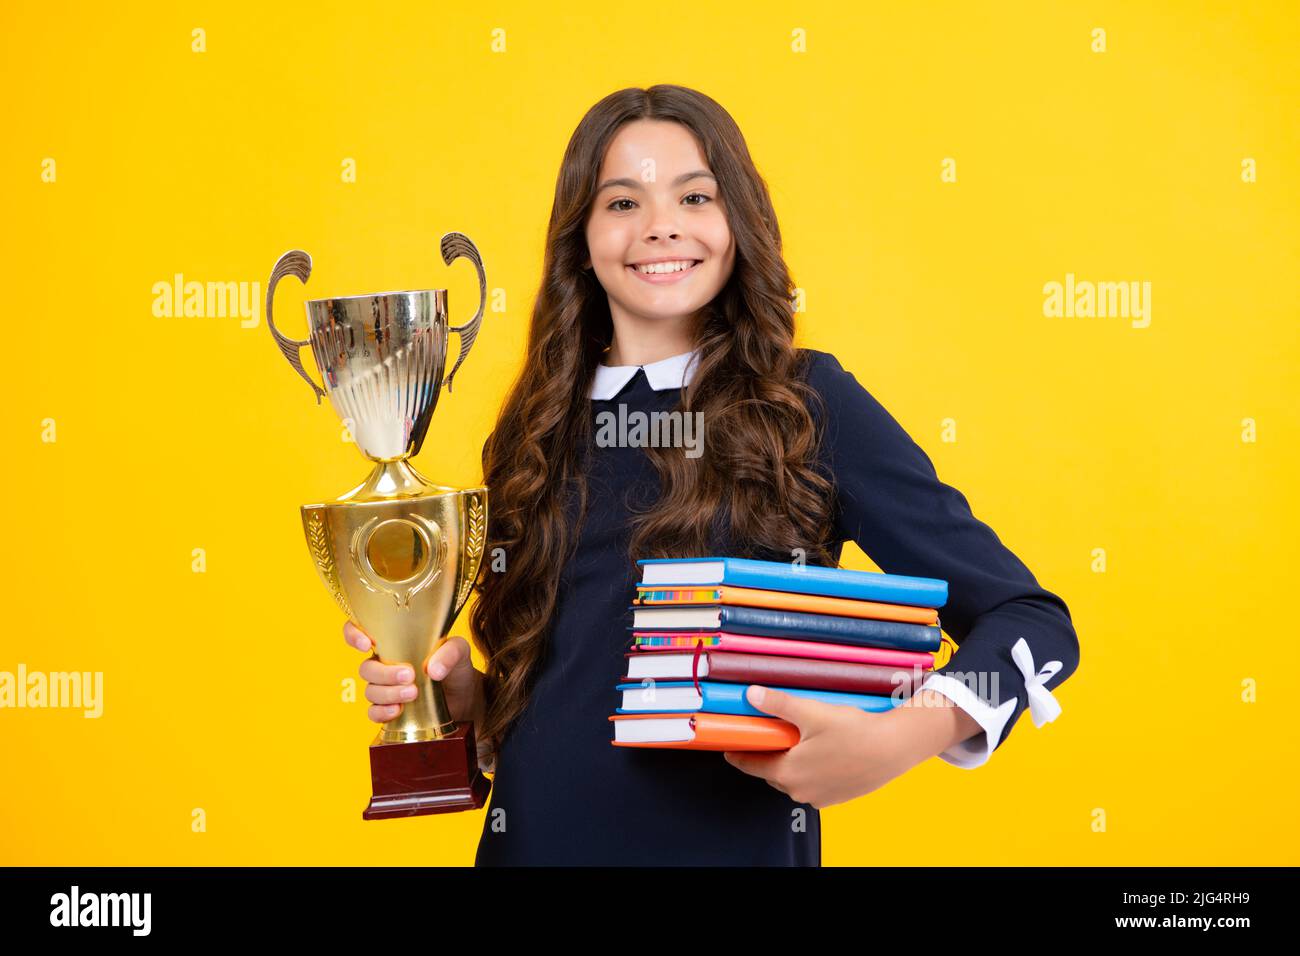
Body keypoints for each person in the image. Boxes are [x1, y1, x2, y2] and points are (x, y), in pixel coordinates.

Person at [344, 84, 1080, 866]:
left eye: (694, 195)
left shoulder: (808, 404)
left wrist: (903, 735)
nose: (660, 224)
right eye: (621, 203)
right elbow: (561, 700)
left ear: (738, 222)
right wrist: (469, 706)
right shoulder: (533, 429)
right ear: (580, 240)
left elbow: (1035, 623)